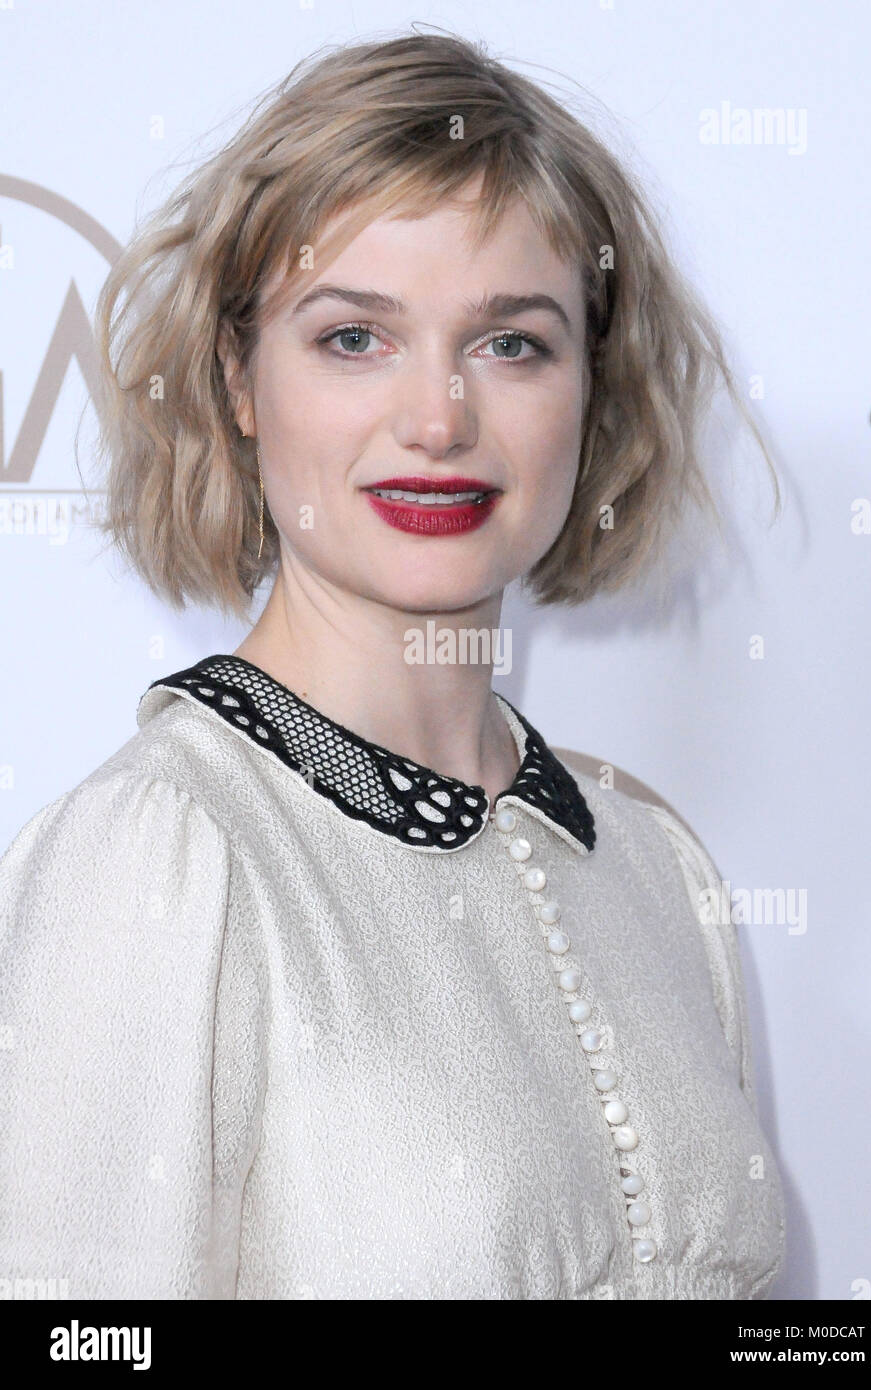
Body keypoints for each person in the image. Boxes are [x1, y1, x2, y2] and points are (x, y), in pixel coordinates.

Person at [0, 32, 785, 1300]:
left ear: (594, 387)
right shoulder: (161, 857)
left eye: (513, 343)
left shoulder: (652, 862)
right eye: (355, 337)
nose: (438, 418)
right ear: (238, 380)